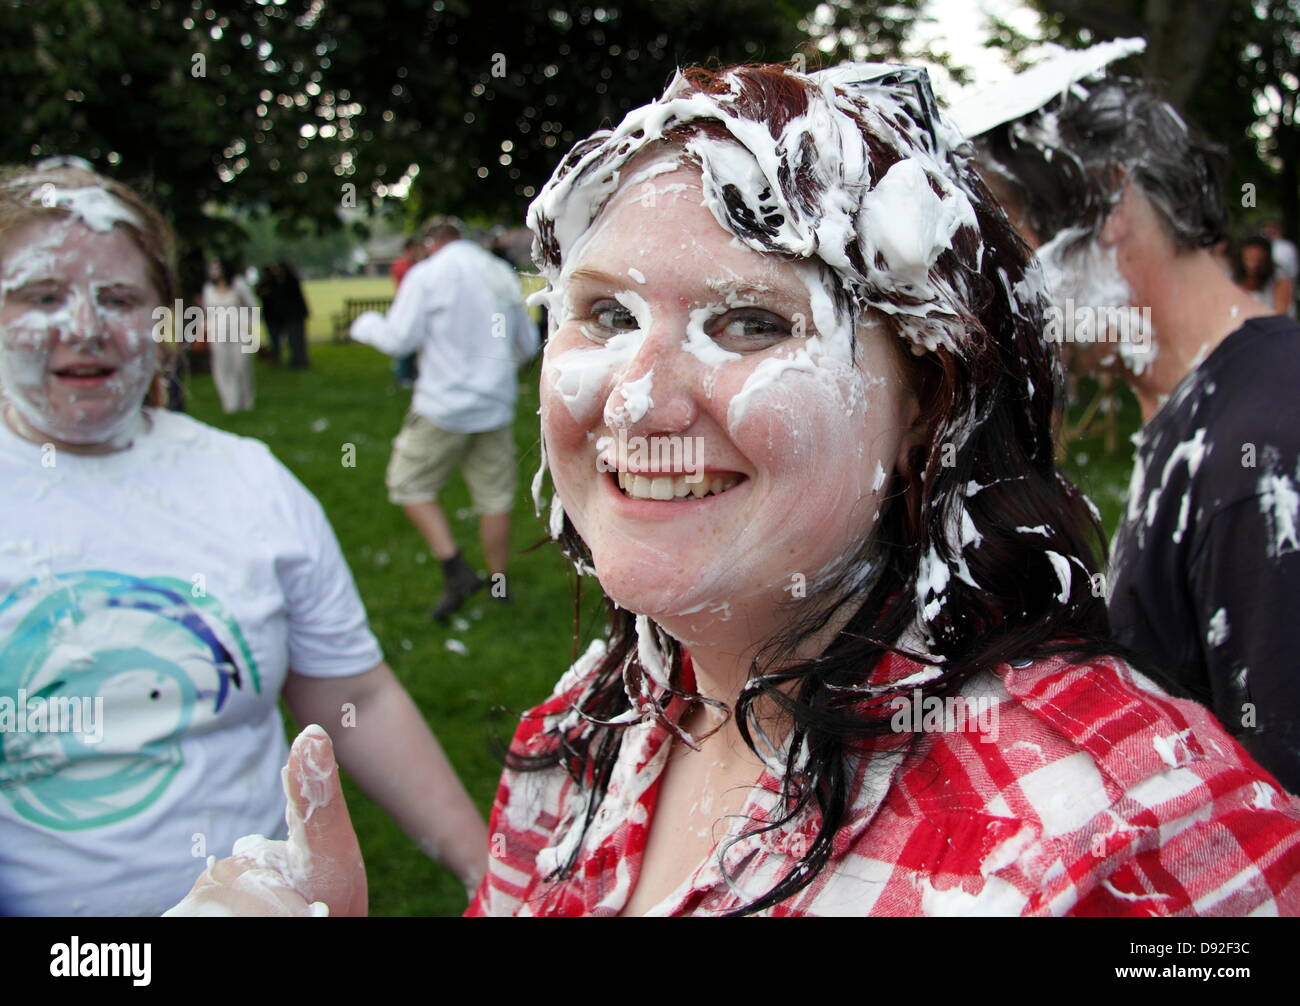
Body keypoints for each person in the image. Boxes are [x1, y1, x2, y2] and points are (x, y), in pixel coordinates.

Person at [182, 62, 1300, 917]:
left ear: (927, 403)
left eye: (751, 322)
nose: (633, 399)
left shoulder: (1113, 830)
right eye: (606, 315)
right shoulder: (589, 724)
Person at [0, 163, 487, 915]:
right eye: (42, 296)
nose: (85, 326)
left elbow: (356, 695)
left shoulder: (250, 482)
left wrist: (488, 877)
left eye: (119, 298)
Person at [969, 64, 1300, 793]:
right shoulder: (1197, 415)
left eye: (1011, 242)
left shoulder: (1261, 458)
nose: (1001, 292)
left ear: (1109, 205)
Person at [350, 218, 539, 622]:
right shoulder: (499, 272)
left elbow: (400, 340)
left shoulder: (426, 275)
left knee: (407, 483)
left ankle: (455, 570)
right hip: (495, 404)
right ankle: (498, 583)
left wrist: (366, 326)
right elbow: (527, 345)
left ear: (429, 243)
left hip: (443, 406)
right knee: (495, 496)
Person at [200, 257, 257, 412]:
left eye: (217, 267)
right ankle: (230, 402)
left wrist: (249, 324)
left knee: (242, 366)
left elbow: (251, 304)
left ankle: (247, 400)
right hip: (217, 332)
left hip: (239, 331)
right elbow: (207, 312)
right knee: (223, 367)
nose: (214, 272)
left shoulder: (238, 284)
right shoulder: (208, 289)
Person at [389, 237, 425, 387]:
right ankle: (403, 375)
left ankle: (411, 373)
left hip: (415, 306)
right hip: (406, 308)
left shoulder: (413, 266)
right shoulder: (402, 266)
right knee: (405, 340)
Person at [1235, 234, 1296, 318]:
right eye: (1249, 258)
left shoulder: (1279, 277)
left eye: (1258, 259)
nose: (1253, 265)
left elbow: (1281, 313)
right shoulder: (1233, 278)